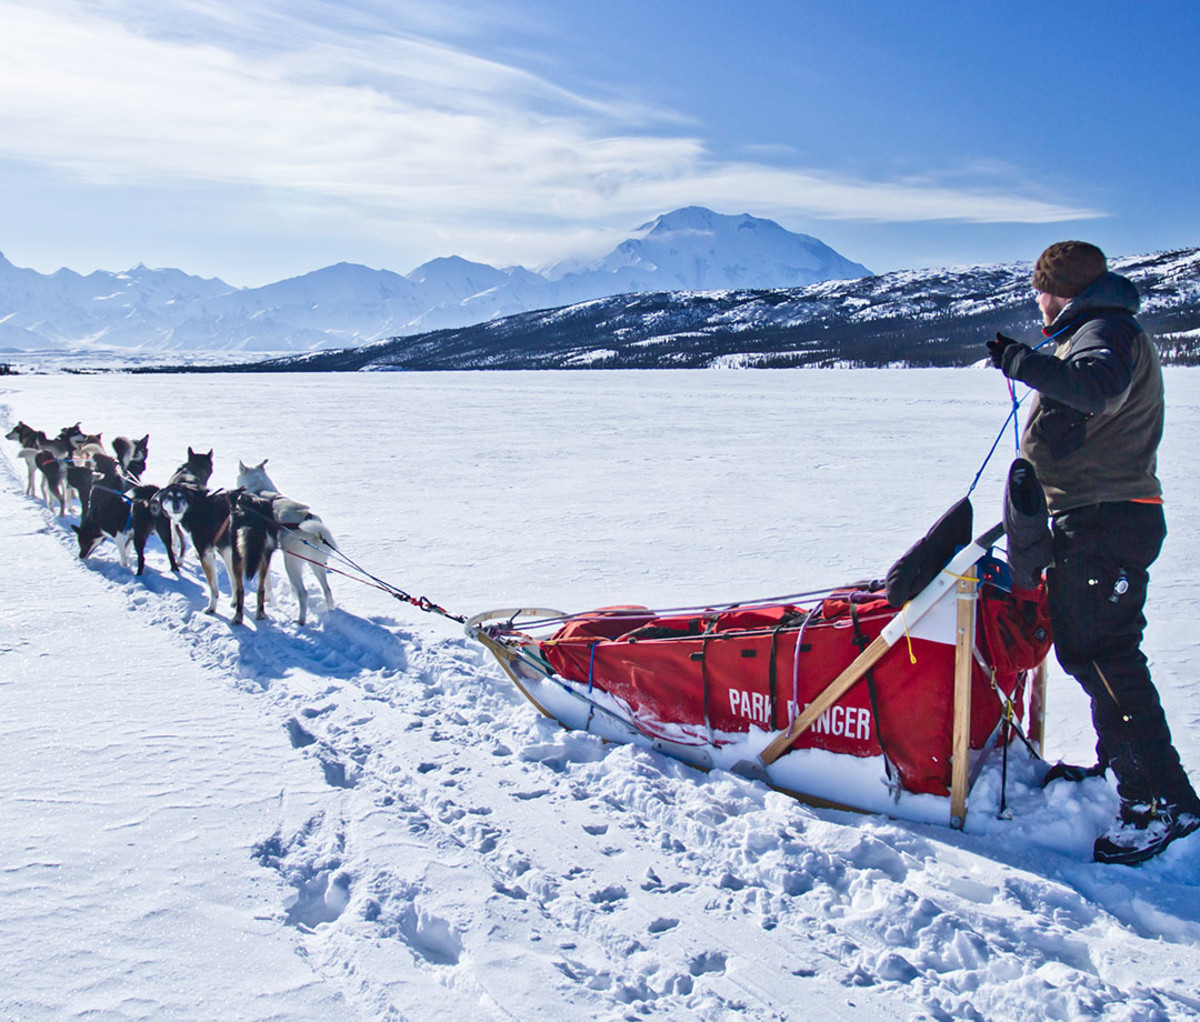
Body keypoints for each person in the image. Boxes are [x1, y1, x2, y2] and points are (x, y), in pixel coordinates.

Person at [987, 240, 1200, 865]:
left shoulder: (1105, 329)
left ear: (1060, 289)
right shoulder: (1096, 328)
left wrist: (1026, 363)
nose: (1038, 303)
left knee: (1103, 655)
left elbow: (1097, 389)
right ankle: (1127, 774)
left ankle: (1159, 802)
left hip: (1107, 520)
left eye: (1040, 292)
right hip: (1095, 517)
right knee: (1093, 652)